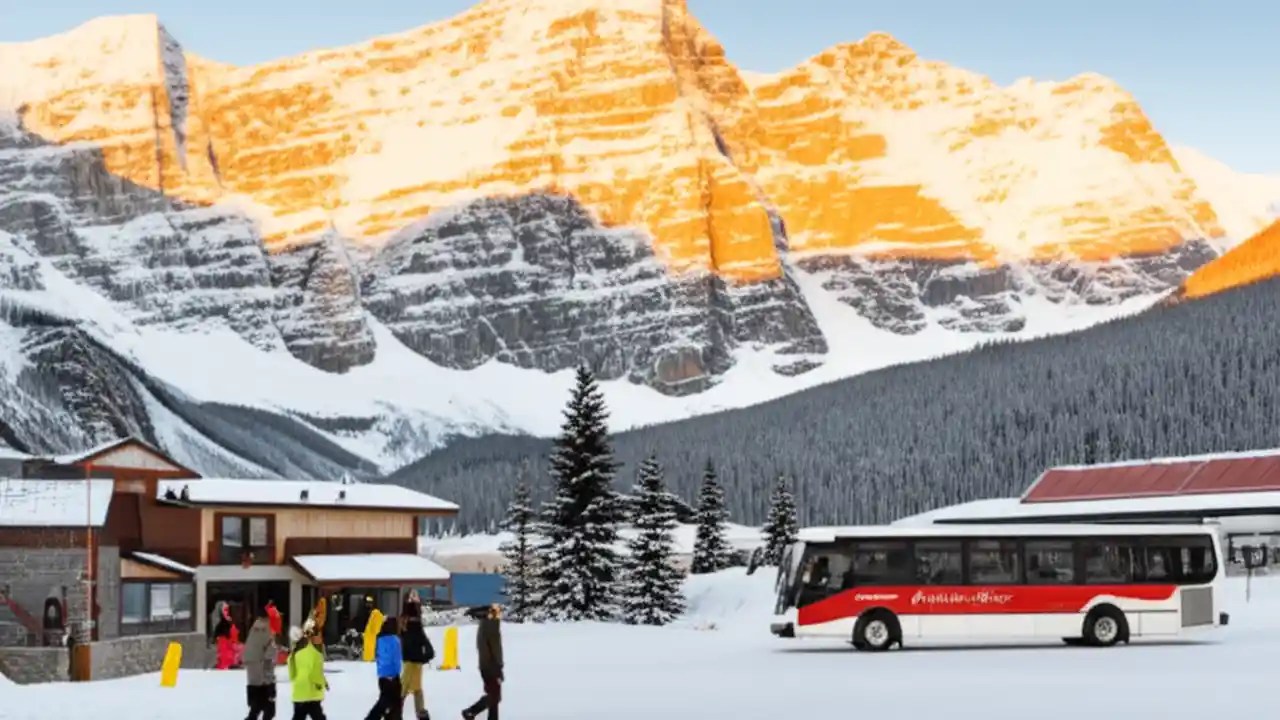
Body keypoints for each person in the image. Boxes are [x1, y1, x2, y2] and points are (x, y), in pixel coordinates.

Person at [461, 605, 503, 720]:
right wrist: (498, 666)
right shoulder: (491, 627)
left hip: (486, 665)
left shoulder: (485, 626)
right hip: (491, 666)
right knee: (494, 696)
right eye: (496, 611)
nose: (499, 613)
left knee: (494, 695)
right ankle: (471, 711)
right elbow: (495, 649)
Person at [364, 618, 403, 720]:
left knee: (386, 701)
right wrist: (396, 672)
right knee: (393, 703)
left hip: (382, 676)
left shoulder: (379, 639)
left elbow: (378, 656)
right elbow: (396, 658)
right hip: (392, 676)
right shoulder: (395, 640)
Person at [400, 608, 435, 720]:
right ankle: (421, 713)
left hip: (410, 663)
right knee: (417, 689)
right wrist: (423, 658)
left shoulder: (405, 631)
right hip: (416, 663)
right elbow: (430, 651)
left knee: (404, 688)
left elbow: (404, 647)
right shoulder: (418, 631)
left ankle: (395, 711)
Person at [288, 626, 328, 720]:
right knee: (318, 717)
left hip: (299, 692)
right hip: (311, 691)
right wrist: (321, 683)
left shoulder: (294, 653)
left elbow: (292, 674)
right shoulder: (314, 653)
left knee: (298, 716)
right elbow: (315, 673)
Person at [245, 613, 279, 720]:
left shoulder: (253, 631)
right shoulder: (268, 632)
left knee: (255, 708)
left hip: (252, 677)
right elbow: (269, 656)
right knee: (269, 711)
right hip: (264, 678)